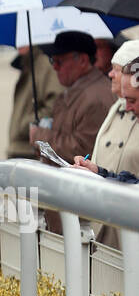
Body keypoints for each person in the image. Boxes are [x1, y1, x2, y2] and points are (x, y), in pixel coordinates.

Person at [31, 30, 113, 235]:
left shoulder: (95, 97)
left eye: (59, 60)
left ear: (83, 60)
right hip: (66, 207)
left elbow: (81, 151)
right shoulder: (77, 91)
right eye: (52, 61)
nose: (54, 67)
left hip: (79, 212)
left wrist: (39, 137)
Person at [79, 39, 139, 247]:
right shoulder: (116, 108)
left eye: (115, 69)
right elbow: (127, 178)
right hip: (108, 223)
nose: (110, 74)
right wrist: (96, 170)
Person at [6, 43, 61, 158]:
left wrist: (26, 126)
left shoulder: (44, 65)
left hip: (30, 151)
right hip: (20, 148)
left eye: (23, 39)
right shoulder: (28, 64)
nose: (19, 44)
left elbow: (55, 105)